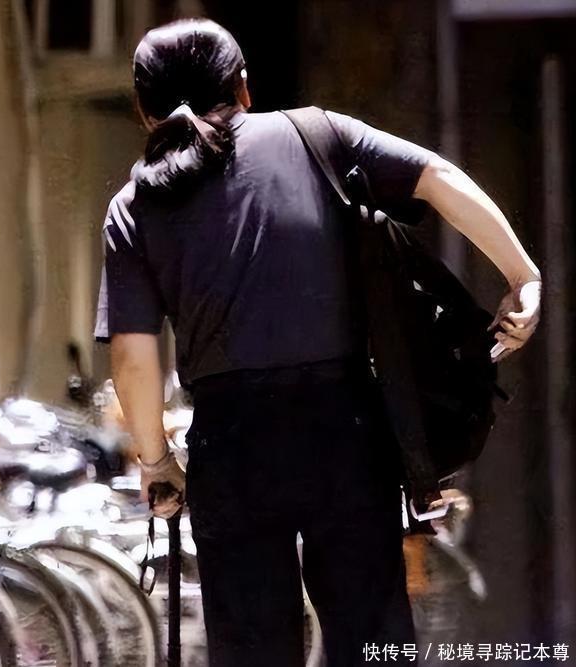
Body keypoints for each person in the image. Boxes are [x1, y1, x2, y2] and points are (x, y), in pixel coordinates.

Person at [93, 18, 541, 666]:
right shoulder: (317, 135)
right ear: (243, 88)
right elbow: (437, 177)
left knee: (253, 652)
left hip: (232, 445)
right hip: (345, 429)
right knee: (373, 641)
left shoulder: (136, 202)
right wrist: (523, 276)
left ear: (143, 110)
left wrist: (159, 462)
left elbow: (133, 357)